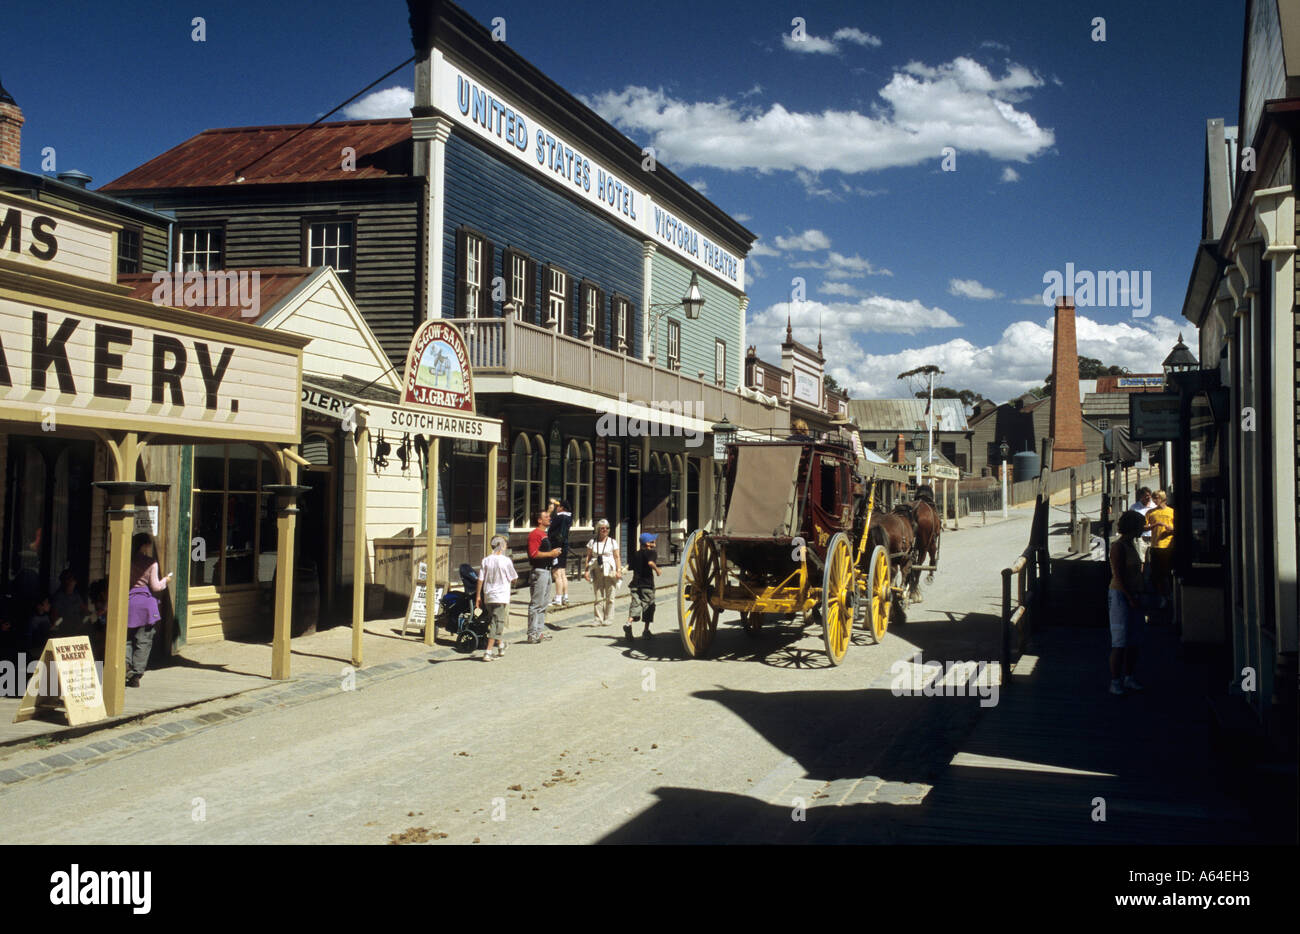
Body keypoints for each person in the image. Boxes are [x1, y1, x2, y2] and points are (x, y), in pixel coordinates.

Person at [1108, 511, 1147, 695]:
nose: (1143, 528)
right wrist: (1129, 596)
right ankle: (1115, 681)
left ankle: (1129, 677)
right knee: (1120, 641)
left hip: (1135, 594)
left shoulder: (1132, 545)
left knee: (1134, 640)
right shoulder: (1118, 546)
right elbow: (1118, 574)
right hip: (1120, 595)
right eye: (1141, 525)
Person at [127, 533, 172, 687]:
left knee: (126, 639)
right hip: (145, 604)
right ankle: (136, 674)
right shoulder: (151, 563)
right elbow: (155, 586)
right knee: (143, 640)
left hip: (128, 601)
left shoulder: (127, 560)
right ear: (145, 545)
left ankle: (125, 666)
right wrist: (166, 580)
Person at [475, 536, 518, 661]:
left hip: (488, 595)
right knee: (497, 623)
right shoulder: (506, 561)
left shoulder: (486, 560)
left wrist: (478, 595)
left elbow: (480, 579)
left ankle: (500, 645)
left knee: (494, 620)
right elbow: (513, 578)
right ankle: (488, 651)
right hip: (501, 596)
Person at [526, 509, 562, 643]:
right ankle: (531, 633)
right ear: (539, 520)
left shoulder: (544, 534)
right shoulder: (535, 534)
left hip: (547, 570)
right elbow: (533, 553)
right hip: (539, 571)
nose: (549, 518)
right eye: (546, 517)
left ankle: (539, 632)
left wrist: (553, 555)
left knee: (543, 603)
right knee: (536, 603)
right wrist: (550, 554)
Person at [583, 519, 622, 626]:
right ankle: (598, 618)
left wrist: (618, 570)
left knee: (610, 595)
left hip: (610, 569)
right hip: (596, 569)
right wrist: (586, 571)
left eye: (607, 528)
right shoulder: (592, 542)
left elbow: (617, 557)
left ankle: (609, 618)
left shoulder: (613, 542)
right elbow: (589, 556)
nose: (605, 530)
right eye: (602, 528)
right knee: (598, 595)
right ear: (598, 529)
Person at [625, 532, 661, 641]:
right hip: (647, 584)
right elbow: (650, 563)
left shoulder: (636, 554)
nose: (654, 543)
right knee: (648, 606)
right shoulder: (651, 553)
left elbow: (630, 567)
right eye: (652, 541)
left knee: (636, 605)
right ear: (648, 544)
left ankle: (628, 623)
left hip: (635, 585)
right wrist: (657, 570)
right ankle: (646, 631)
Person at [1145, 490, 1175, 613]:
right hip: (1156, 546)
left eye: (1156, 498)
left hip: (1169, 546)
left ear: (1162, 498)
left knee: (1169, 573)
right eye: (1153, 498)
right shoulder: (1150, 512)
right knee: (1157, 574)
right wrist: (1155, 525)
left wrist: (1170, 529)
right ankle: (1162, 597)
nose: (1154, 500)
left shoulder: (1171, 512)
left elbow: (1176, 527)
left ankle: (1172, 595)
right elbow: (1144, 526)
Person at [550, 499, 573, 606]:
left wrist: (550, 511)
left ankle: (558, 598)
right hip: (565, 546)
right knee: (563, 573)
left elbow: (550, 528)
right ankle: (565, 597)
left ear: (562, 507)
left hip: (556, 546)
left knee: (556, 573)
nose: (556, 508)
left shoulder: (559, 517)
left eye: (558, 506)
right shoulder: (569, 517)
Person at [49, 569, 88, 633]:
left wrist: (82, 623)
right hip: (65, 631)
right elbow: (55, 618)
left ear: (75, 582)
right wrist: (64, 625)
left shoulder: (77, 596)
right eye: (67, 579)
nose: (70, 582)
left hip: (78, 630)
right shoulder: (58, 597)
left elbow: (87, 613)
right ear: (62, 581)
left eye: (72, 579)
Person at [1129, 487, 1154, 561]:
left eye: (1149, 495)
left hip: (1152, 536)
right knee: (1140, 559)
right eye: (1146, 496)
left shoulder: (1154, 506)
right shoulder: (1134, 507)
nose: (1148, 498)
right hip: (1140, 537)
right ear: (1141, 497)